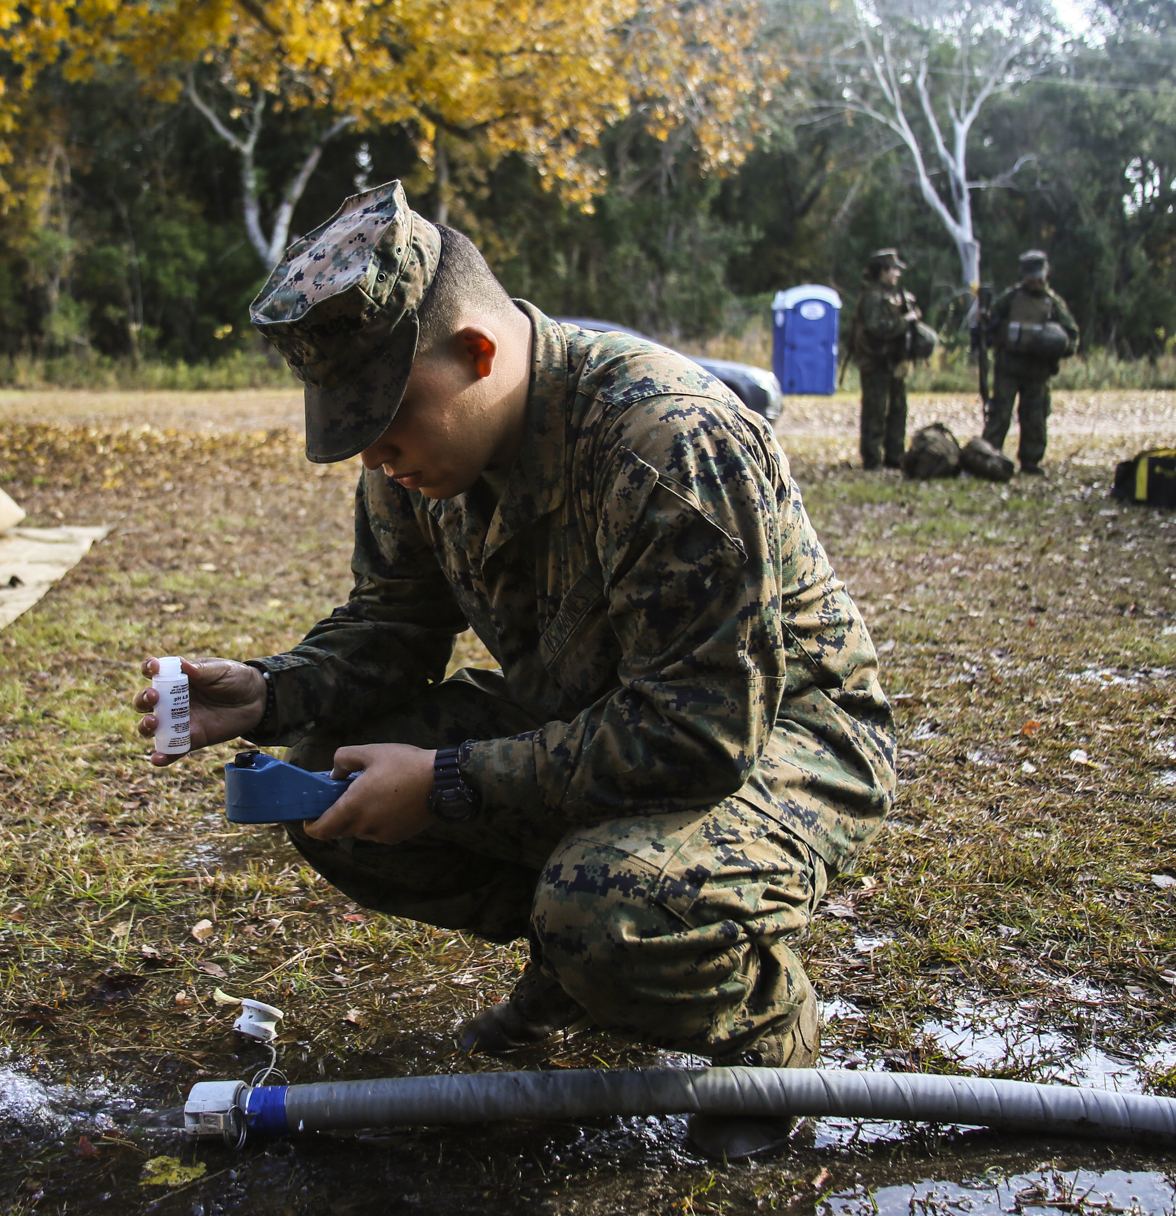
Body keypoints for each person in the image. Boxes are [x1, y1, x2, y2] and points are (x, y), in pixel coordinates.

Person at [129, 182, 895, 1162]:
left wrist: (450, 785)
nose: (371, 450)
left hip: (783, 738)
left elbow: (699, 732)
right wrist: (273, 689)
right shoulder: (419, 458)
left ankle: (762, 1030)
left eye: (385, 416)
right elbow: (395, 622)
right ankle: (573, 967)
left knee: (606, 903)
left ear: (476, 355)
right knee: (327, 772)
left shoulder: (668, 442)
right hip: (590, 713)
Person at [980, 250, 1079, 475]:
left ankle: (1031, 460)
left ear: (1045, 274)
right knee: (999, 414)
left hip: (1037, 371)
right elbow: (990, 320)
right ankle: (988, 456)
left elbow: (1072, 335)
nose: (1033, 282)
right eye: (1029, 277)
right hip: (1008, 366)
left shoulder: (1053, 303)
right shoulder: (1011, 298)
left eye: (1037, 277)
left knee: (1035, 417)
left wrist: (1059, 348)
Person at [851, 248, 919, 470]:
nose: (897, 274)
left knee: (898, 410)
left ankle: (894, 456)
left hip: (895, 363)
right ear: (883, 271)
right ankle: (872, 459)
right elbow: (876, 328)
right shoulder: (871, 297)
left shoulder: (895, 296)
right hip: (876, 364)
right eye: (894, 270)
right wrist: (904, 321)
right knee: (876, 411)